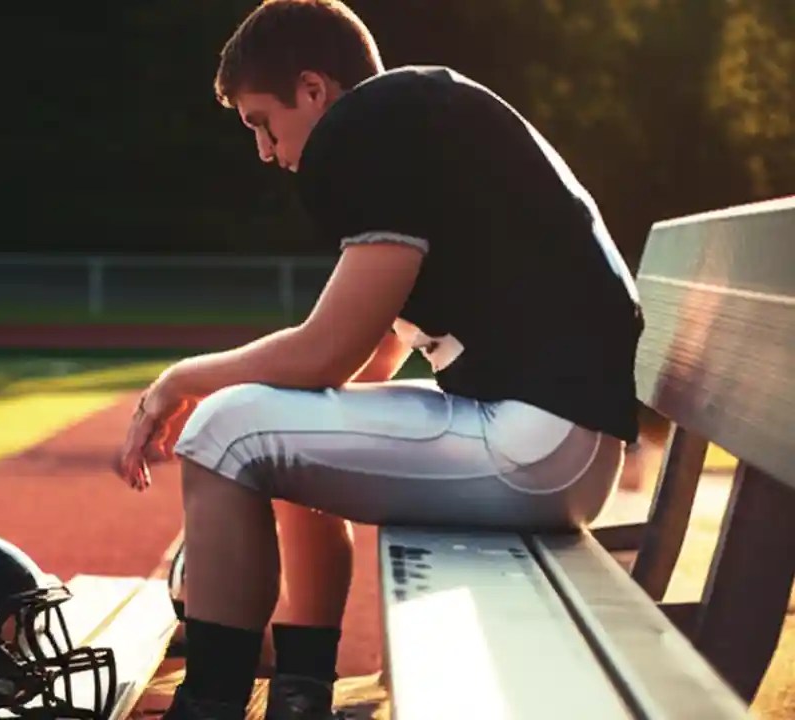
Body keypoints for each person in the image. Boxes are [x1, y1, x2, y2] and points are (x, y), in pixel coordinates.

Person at [112, 1, 643, 718]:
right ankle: (299, 688)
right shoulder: (415, 116)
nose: (266, 151)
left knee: (222, 427)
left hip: (541, 438)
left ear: (312, 90)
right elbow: (362, 363)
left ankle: (210, 701)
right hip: (555, 433)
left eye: (262, 124)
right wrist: (236, 503)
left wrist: (180, 381)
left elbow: (329, 352)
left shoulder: (368, 126)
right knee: (277, 426)